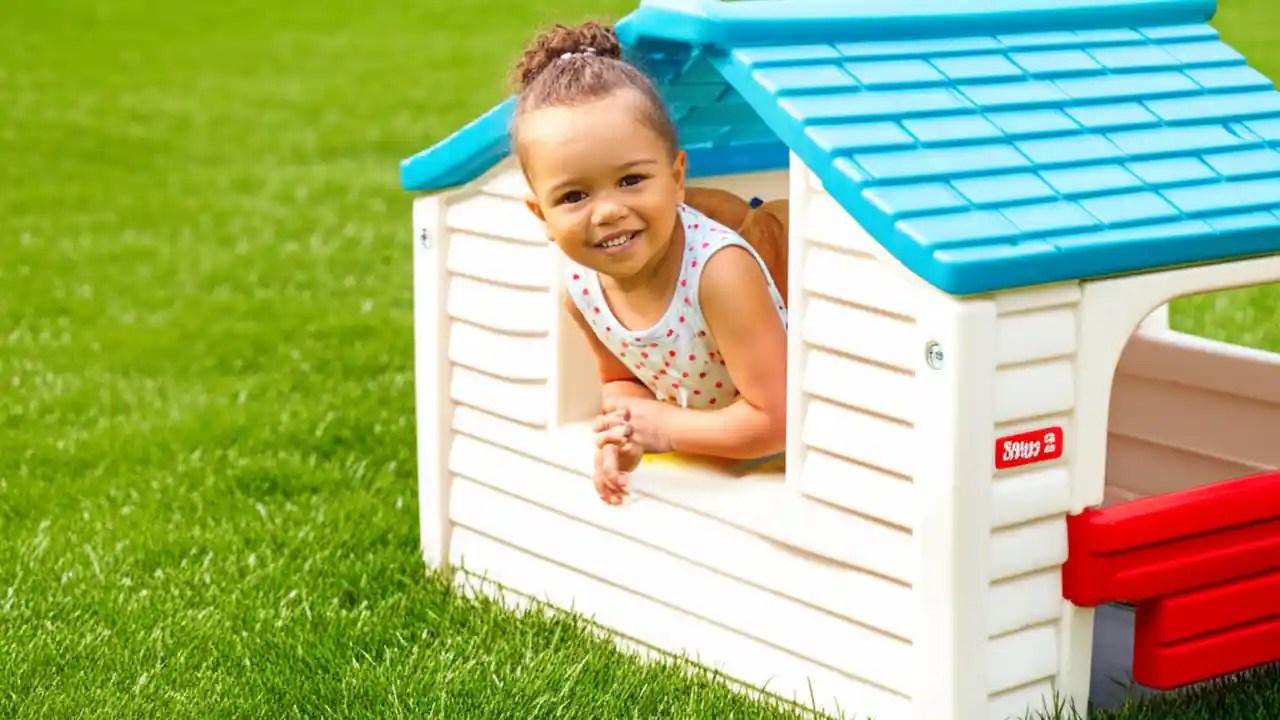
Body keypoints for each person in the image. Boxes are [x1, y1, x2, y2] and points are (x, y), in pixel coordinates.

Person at [509, 20, 788, 505]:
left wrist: (669, 429)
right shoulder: (581, 288)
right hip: (717, 451)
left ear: (677, 178)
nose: (609, 210)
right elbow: (623, 378)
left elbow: (779, 419)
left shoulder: (719, 274)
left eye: (632, 180)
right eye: (574, 195)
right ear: (542, 215)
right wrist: (626, 434)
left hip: (783, 450)